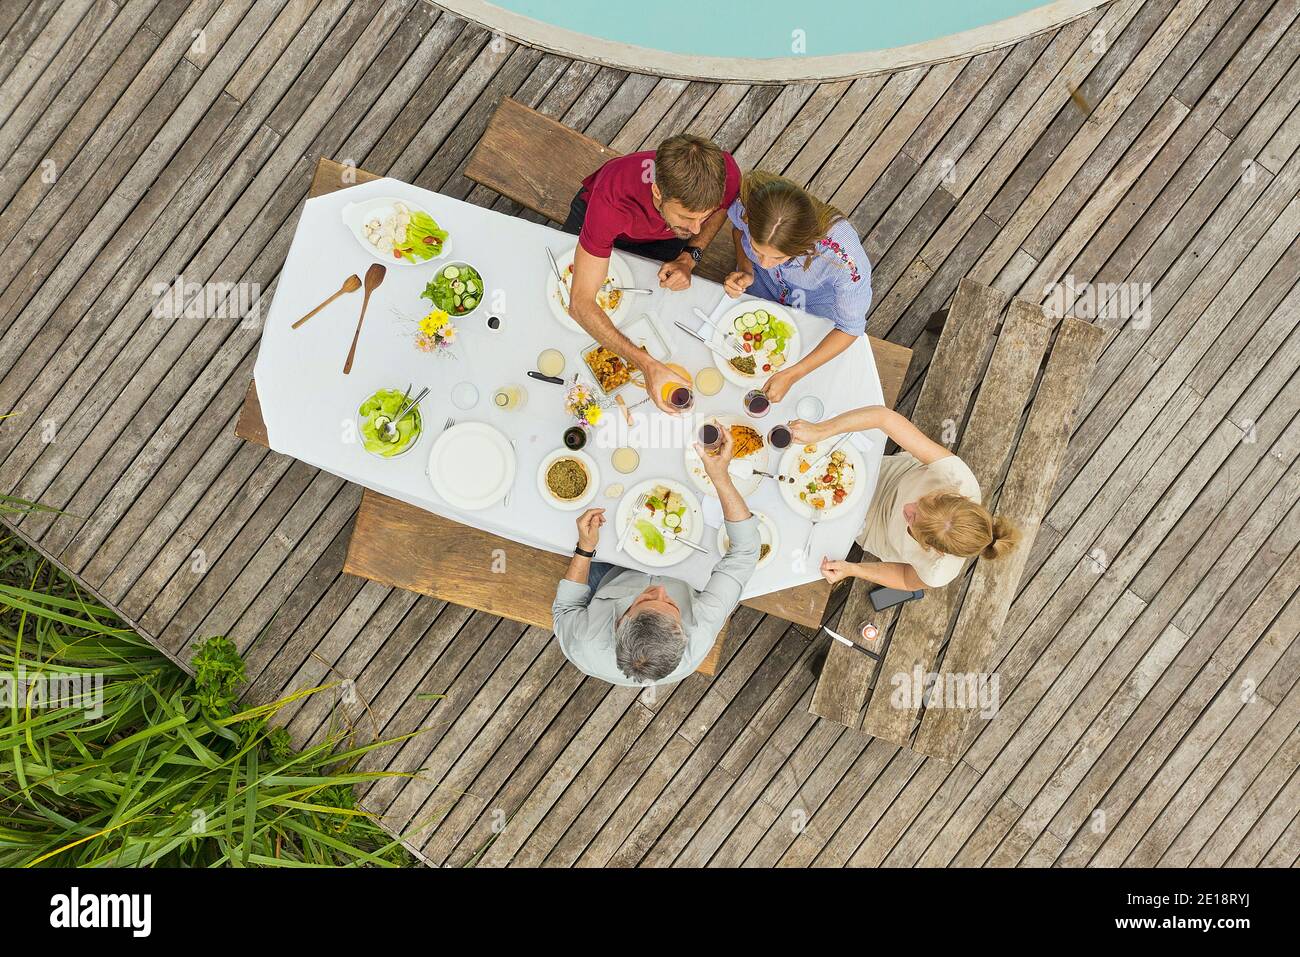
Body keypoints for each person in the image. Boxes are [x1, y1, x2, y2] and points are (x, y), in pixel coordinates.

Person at [551, 430, 759, 686]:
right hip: (687, 575)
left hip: (610, 577)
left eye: (649, 598)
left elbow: (566, 609)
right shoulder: (699, 632)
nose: (660, 589)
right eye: (672, 605)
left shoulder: (582, 643)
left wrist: (585, 548)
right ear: (684, 631)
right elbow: (745, 551)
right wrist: (720, 477)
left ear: (621, 621)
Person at [562, 133, 741, 413]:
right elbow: (580, 303)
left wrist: (691, 255)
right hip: (600, 219)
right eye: (687, 217)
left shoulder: (724, 171)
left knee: (651, 306)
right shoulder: (612, 198)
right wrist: (647, 365)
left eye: (702, 217)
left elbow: (724, 206)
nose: (696, 229)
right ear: (657, 192)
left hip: (660, 234)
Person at [789, 405, 1018, 590]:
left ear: (932, 548)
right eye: (921, 502)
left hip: (871, 529)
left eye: (911, 521)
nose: (907, 507)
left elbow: (908, 579)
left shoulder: (938, 571)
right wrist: (822, 430)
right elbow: (883, 418)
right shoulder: (958, 479)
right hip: (887, 476)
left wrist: (853, 569)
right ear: (949, 494)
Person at [722, 171, 873, 403]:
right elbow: (737, 230)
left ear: (805, 247)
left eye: (778, 258)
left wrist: (795, 373)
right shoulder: (747, 206)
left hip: (813, 315)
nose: (764, 263)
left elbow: (850, 328)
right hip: (760, 290)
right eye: (758, 250)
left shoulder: (846, 263)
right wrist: (747, 269)